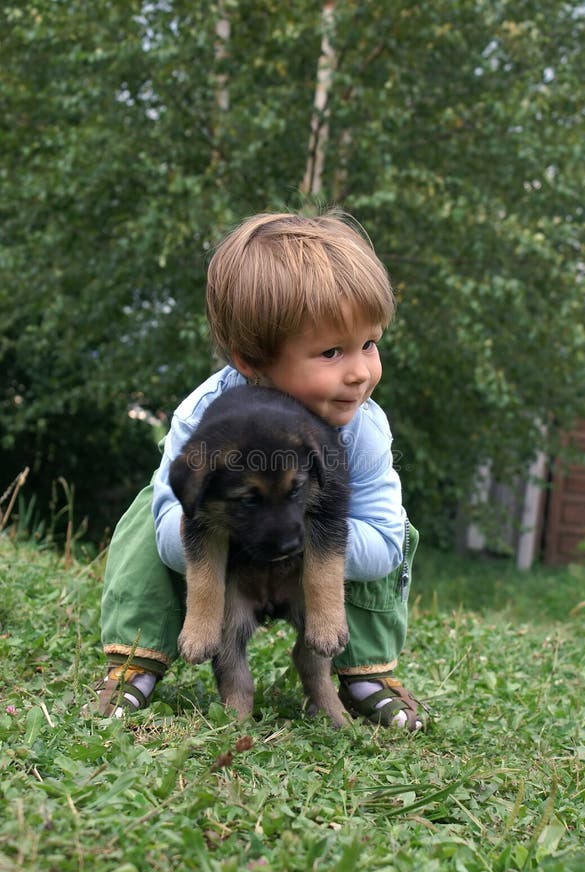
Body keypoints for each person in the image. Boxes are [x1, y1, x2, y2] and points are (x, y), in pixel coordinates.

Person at [90, 211, 427, 730]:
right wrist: (237, 538)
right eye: (332, 351)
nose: (360, 371)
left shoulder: (362, 428)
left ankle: (366, 670)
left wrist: (309, 544)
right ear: (252, 359)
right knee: (153, 510)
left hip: (315, 571)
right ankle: (134, 658)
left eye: (369, 344)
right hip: (226, 571)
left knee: (383, 528)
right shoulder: (202, 417)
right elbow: (168, 537)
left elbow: (380, 544)